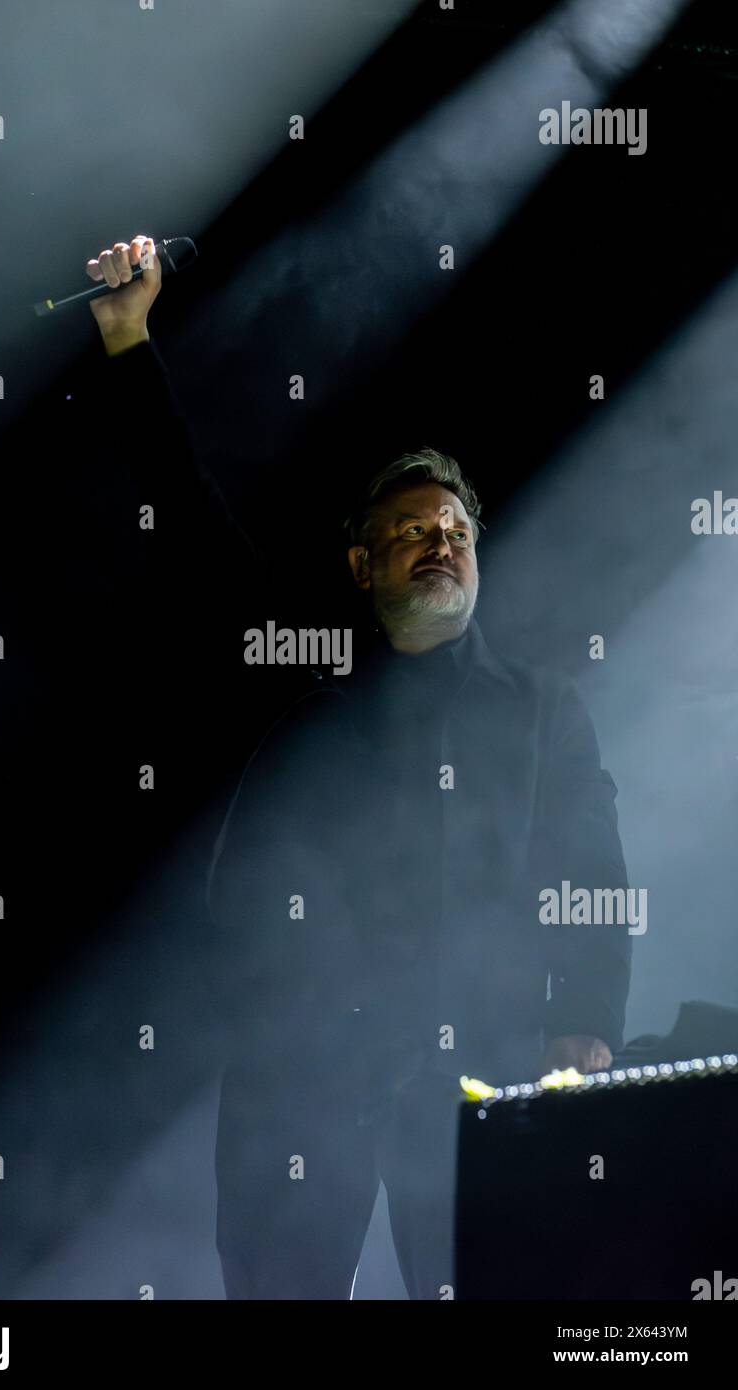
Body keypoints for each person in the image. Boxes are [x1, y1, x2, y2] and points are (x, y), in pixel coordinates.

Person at [84, 234, 633, 1300]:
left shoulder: (538, 707)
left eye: (456, 529)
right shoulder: (305, 666)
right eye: (412, 529)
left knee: (490, 1281)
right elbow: (190, 526)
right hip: (303, 1061)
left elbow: (593, 871)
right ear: (361, 562)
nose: (441, 542)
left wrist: (590, 1020)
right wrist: (126, 338)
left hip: (480, 1052)